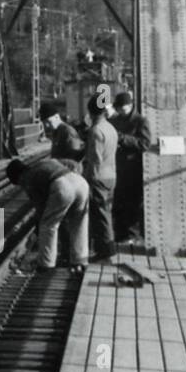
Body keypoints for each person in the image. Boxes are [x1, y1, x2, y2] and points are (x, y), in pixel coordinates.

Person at [6, 156, 88, 273]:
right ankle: (80, 261)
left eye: (19, 183)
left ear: (19, 176)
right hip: (80, 182)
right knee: (79, 222)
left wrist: (36, 233)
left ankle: (46, 264)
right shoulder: (44, 163)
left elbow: (41, 209)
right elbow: (71, 163)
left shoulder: (28, 178)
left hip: (63, 186)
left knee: (48, 225)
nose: (21, 185)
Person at [109, 91, 151, 245]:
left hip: (133, 169)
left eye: (122, 108)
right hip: (118, 168)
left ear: (130, 106)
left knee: (132, 203)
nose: (120, 111)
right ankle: (120, 236)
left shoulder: (141, 121)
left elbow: (144, 144)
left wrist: (123, 138)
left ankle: (132, 236)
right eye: (118, 109)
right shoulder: (117, 120)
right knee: (119, 202)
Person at [81, 95, 118, 261]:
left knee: (101, 215)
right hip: (111, 176)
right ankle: (105, 249)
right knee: (106, 212)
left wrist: (88, 181)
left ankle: (107, 252)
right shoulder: (110, 128)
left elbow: (95, 160)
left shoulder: (96, 131)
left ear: (90, 112)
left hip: (99, 178)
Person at [39, 102, 83, 171]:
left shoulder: (68, 131)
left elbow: (76, 158)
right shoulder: (56, 131)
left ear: (57, 117)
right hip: (61, 170)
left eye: (48, 122)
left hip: (70, 172)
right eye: (44, 123)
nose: (46, 126)